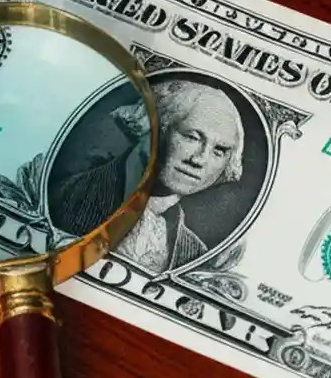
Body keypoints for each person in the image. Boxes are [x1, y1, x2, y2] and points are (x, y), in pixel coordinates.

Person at [49, 79, 244, 272]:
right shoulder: (61, 198)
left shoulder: (194, 255)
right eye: (192, 137)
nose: (199, 159)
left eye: (219, 150)